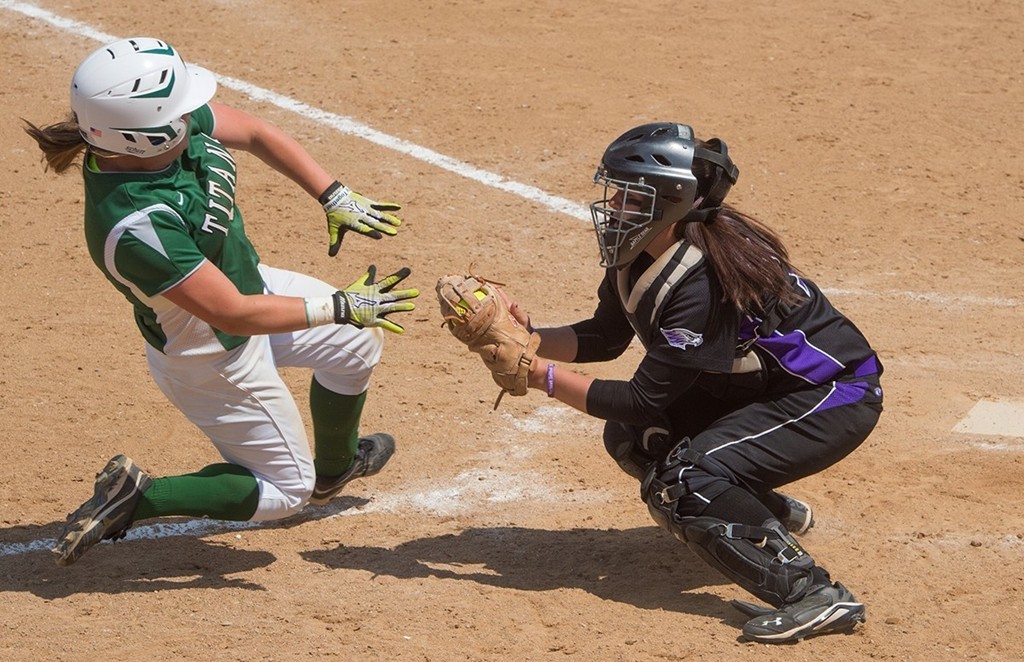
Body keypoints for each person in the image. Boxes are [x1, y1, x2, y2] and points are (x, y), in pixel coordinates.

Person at [24, 37, 419, 566]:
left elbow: (255, 132)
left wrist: (333, 194)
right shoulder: (135, 226)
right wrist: (340, 305)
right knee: (286, 492)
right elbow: (230, 312)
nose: (194, 113)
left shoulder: (163, 127)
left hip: (249, 288)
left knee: (355, 343)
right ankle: (140, 497)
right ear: (140, 136)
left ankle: (336, 467)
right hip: (210, 354)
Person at [506, 122, 883, 643]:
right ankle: (761, 510)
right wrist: (525, 336)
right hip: (755, 385)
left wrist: (539, 376)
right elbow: (606, 336)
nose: (613, 205)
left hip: (829, 395)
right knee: (635, 439)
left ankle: (814, 594)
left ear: (672, 201)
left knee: (683, 478)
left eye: (629, 196)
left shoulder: (700, 280)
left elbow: (642, 398)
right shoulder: (643, 248)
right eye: (613, 191)